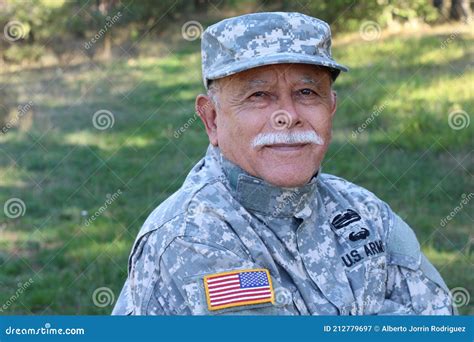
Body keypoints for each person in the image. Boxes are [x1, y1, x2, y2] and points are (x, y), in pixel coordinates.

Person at [112, 12, 454, 315]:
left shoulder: (365, 212)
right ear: (212, 119)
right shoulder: (192, 237)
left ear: (330, 108)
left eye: (307, 93)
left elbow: (440, 319)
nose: (288, 116)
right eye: (258, 95)